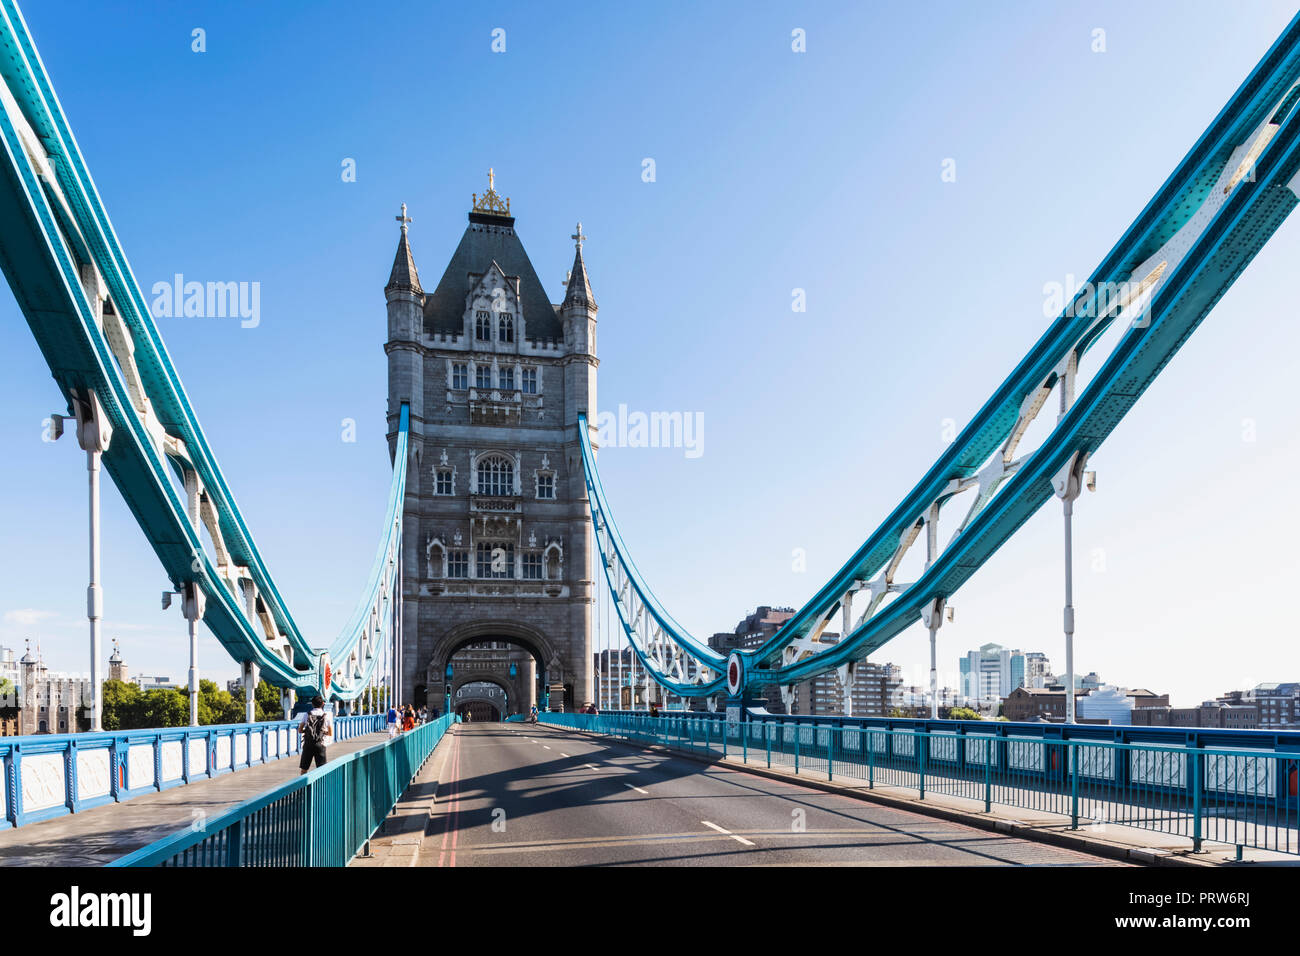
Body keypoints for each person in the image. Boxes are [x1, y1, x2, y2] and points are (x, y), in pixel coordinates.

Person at [297, 695, 334, 774]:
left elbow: (299, 730)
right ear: (323, 704)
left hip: (308, 744)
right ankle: (321, 785)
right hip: (320, 744)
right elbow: (330, 733)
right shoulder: (325, 716)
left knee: (304, 769)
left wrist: (307, 731)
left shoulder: (307, 714)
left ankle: (304, 786)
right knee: (321, 770)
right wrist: (322, 732)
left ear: (312, 704)